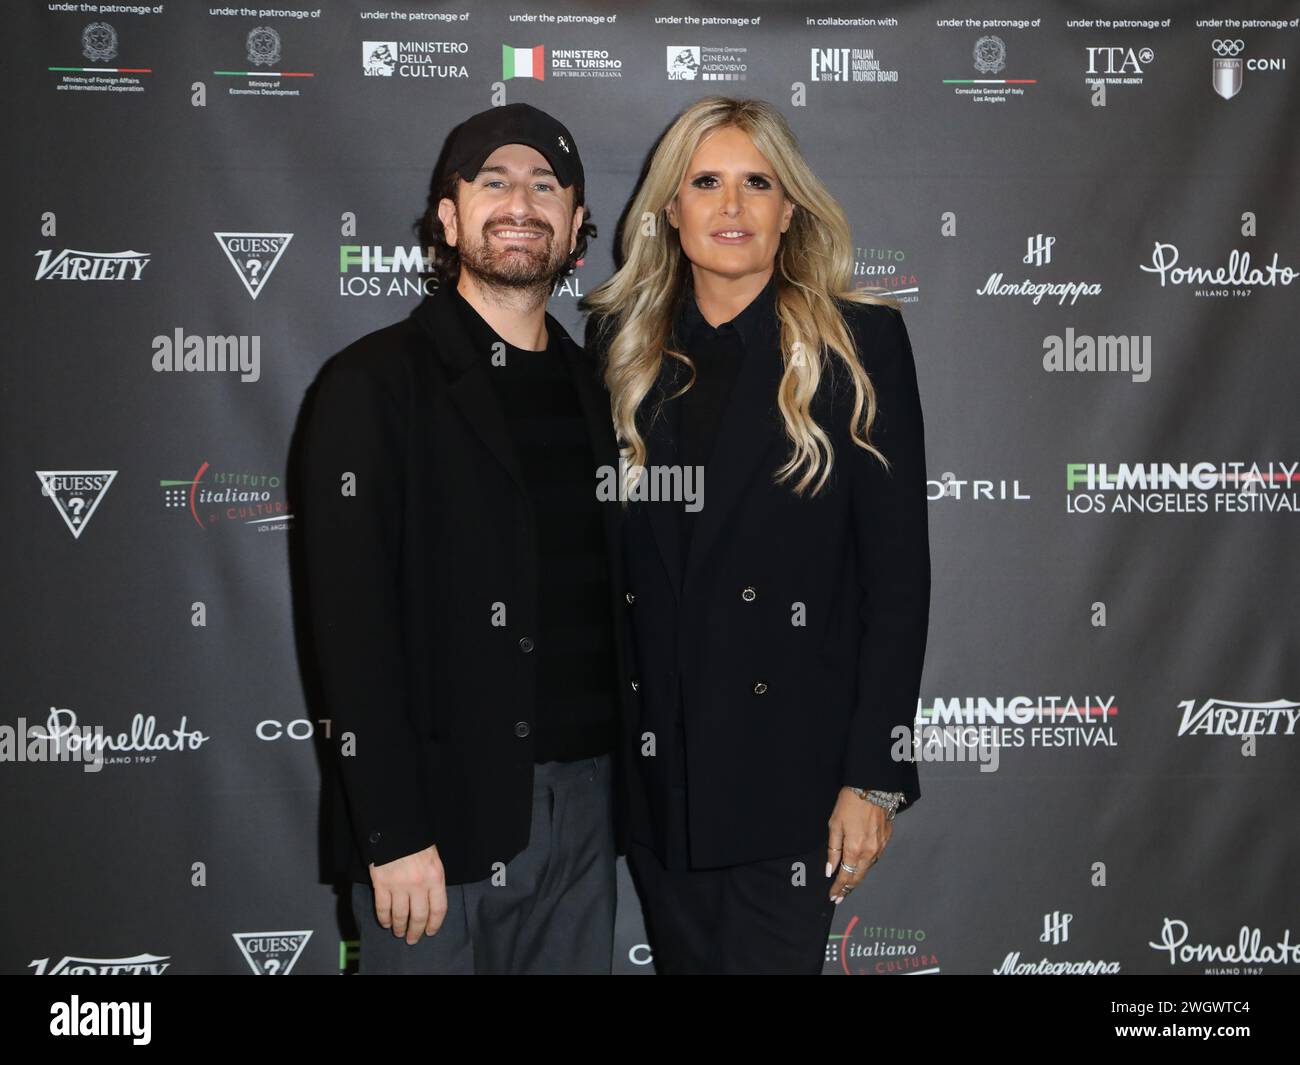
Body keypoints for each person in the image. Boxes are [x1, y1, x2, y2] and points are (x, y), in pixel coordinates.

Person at [582, 96, 931, 974]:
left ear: (789, 210)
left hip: (794, 777)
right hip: (664, 775)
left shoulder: (860, 343)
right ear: (670, 207)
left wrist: (873, 775)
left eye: (755, 184)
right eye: (706, 182)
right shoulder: (617, 347)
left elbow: (897, 580)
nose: (730, 207)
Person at [296, 103, 634, 974]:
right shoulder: (372, 384)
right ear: (448, 217)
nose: (521, 202)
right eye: (494, 181)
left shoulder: (602, 389)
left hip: (588, 815)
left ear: (575, 227)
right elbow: (348, 627)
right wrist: (392, 831)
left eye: (546, 186)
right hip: (435, 831)